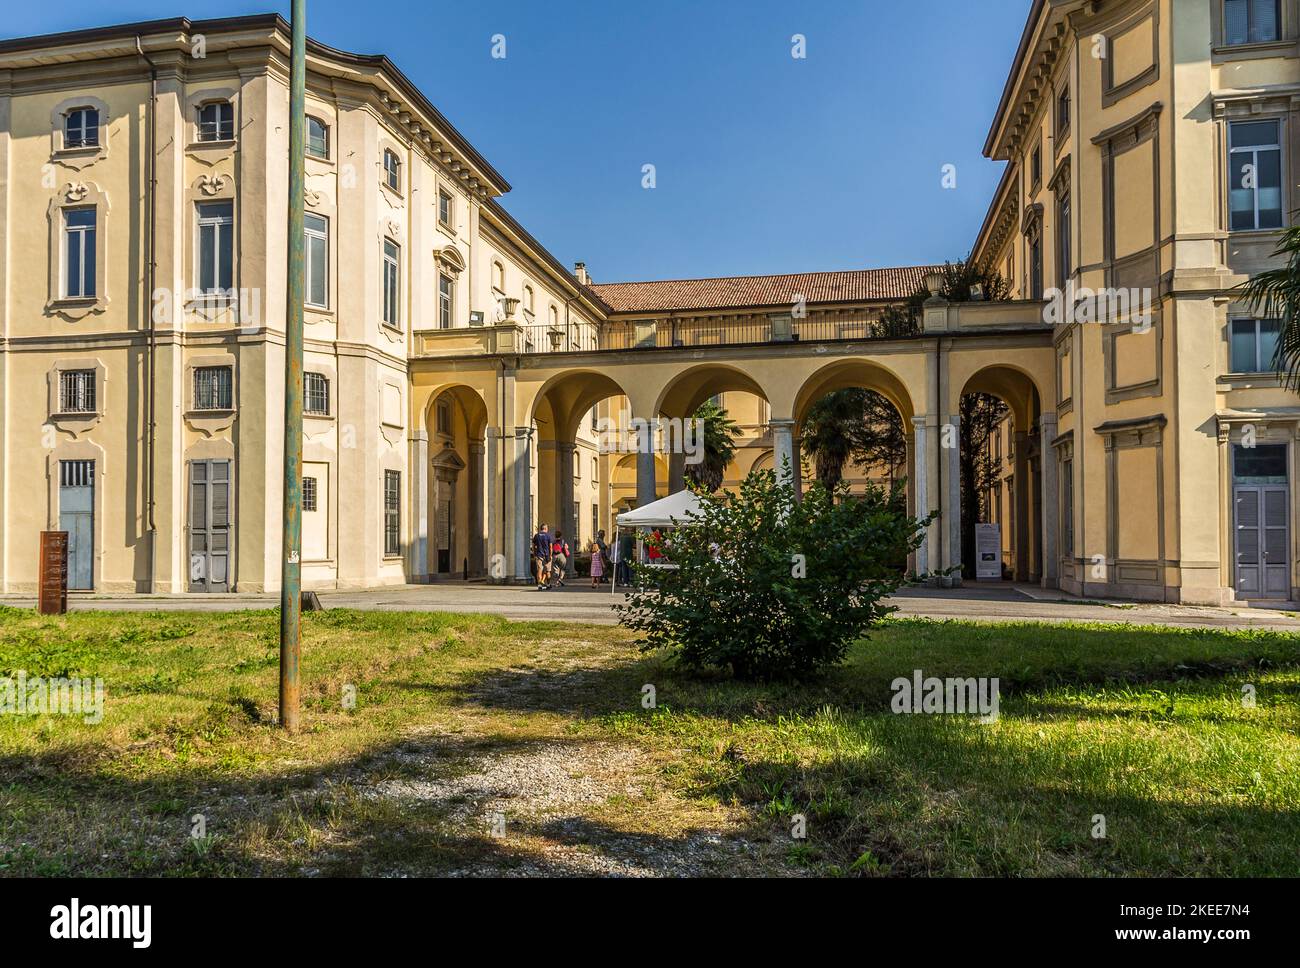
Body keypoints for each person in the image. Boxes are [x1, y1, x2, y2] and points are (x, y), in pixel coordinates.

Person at [532, 523, 552, 590]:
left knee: (539, 570)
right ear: (546, 528)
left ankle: (539, 585)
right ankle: (548, 584)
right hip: (547, 555)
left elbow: (533, 546)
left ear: (541, 528)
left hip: (539, 555)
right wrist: (550, 555)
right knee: (548, 571)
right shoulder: (548, 536)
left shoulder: (536, 536)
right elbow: (550, 547)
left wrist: (534, 553)